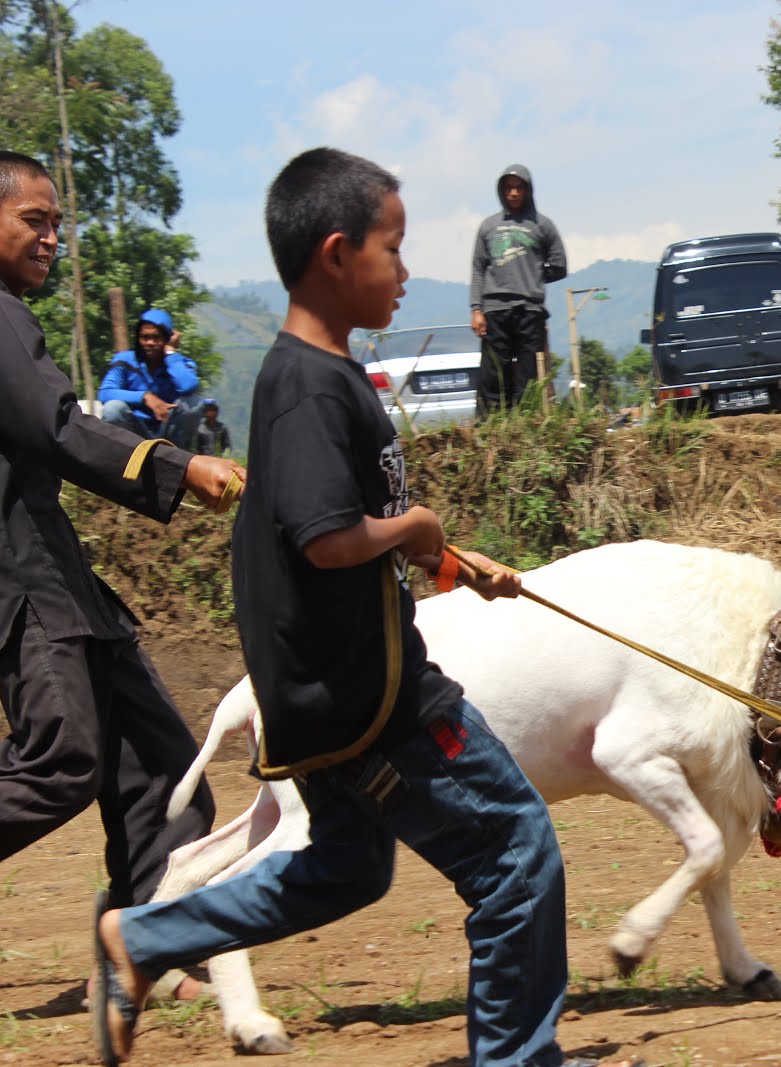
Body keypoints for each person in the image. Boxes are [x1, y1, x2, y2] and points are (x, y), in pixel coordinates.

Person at [92, 148, 631, 1067]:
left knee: (346, 865)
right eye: (394, 247)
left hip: (336, 692)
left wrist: (445, 556)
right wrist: (419, 523)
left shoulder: (318, 377)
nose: (406, 269)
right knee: (516, 849)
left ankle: (142, 940)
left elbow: (350, 535)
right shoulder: (306, 384)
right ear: (338, 254)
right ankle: (518, 1059)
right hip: (375, 694)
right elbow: (323, 537)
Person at [0, 151, 243, 914]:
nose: (50, 240)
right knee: (63, 755)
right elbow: (59, 427)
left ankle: (152, 928)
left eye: (56, 226)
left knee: (159, 755)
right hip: (21, 574)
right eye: (33, 221)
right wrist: (177, 465)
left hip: (53, 565)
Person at [469, 164, 567, 415]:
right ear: (501, 191)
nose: (513, 193)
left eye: (519, 187)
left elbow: (559, 265)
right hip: (495, 309)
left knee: (528, 373)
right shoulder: (489, 227)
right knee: (493, 372)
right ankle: (490, 425)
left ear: (528, 190)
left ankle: (525, 423)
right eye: (508, 187)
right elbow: (478, 268)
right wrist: (476, 309)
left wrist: (531, 276)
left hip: (529, 310)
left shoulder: (542, 225)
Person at [97, 308, 204, 448]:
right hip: (134, 431)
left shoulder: (180, 363)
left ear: (167, 338)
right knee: (113, 408)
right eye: (145, 337)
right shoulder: (125, 361)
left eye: (157, 337)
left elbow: (188, 386)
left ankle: (178, 460)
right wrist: (145, 397)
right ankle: (122, 462)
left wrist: (171, 353)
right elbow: (105, 393)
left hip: (168, 432)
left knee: (193, 402)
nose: (150, 343)